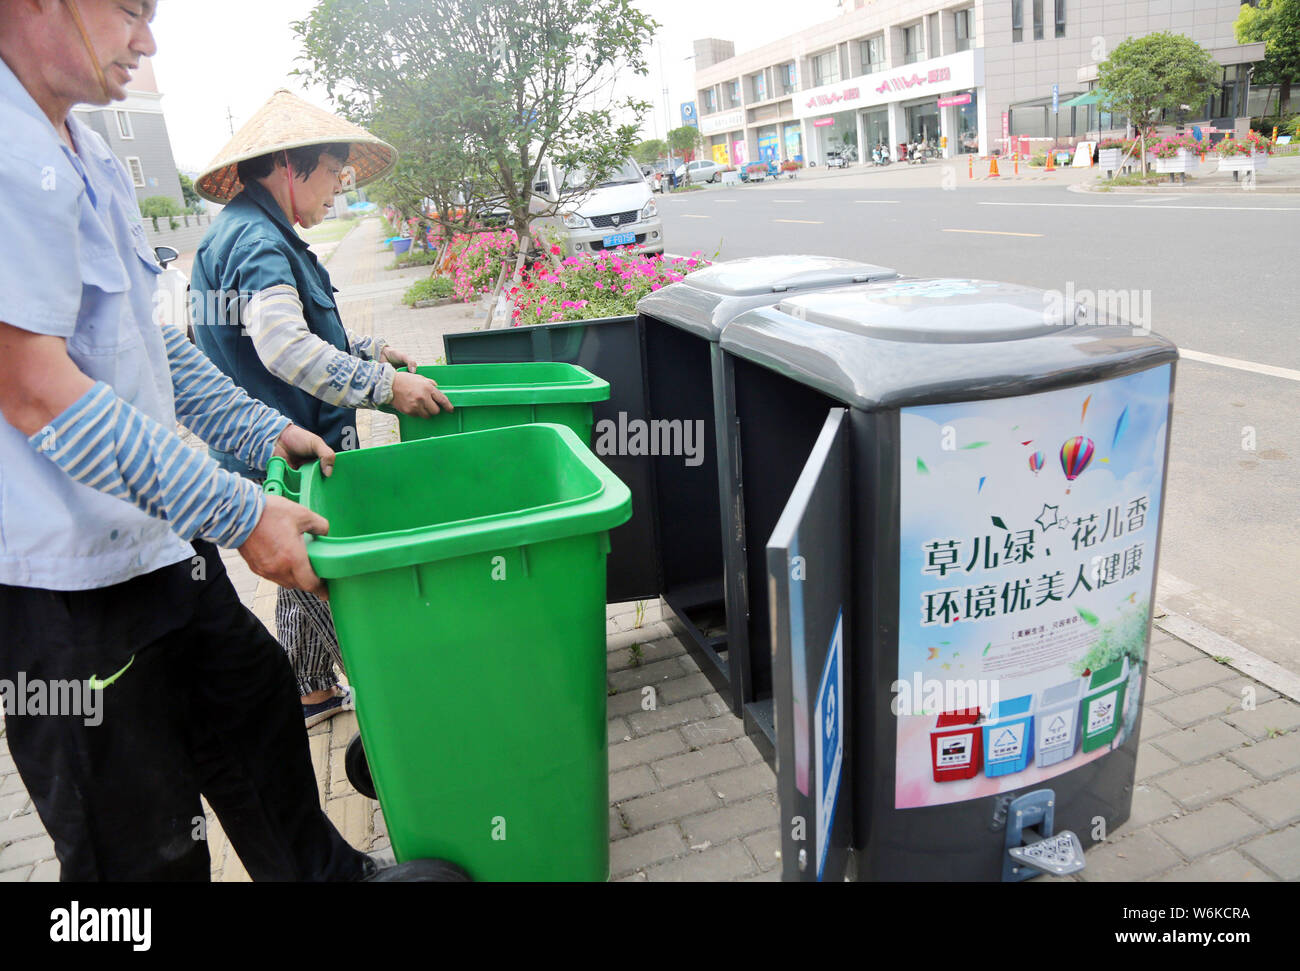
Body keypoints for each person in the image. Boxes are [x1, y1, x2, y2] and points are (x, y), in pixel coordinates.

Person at [0, 0, 376, 880]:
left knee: (254, 709)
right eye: (130, 9)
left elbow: (152, 342)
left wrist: (258, 427)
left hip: (160, 532)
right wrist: (243, 511)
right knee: (136, 838)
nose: (147, 39)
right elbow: (35, 391)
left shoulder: (89, 155)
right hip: (65, 585)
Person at [188, 89, 453, 725]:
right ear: (289, 168)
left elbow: (299, 331)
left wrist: (372, 349)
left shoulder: (250, 232)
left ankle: (310, 688)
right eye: (334, 172)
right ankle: (399, 694)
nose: (339, 188)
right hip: (287, 443)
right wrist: (385, 389)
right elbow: (282, 347)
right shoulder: (258, 242)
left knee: (304, 563)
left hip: (278, 444)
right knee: (325, 569)